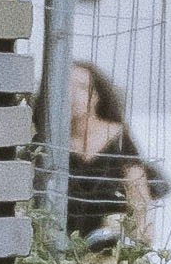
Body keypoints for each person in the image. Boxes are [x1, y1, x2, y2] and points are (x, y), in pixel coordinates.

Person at [65, 59, 154, 243]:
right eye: (66, 86)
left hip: (110, 247)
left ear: (97, 95)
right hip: (61, 249)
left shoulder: (117, 136)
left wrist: (142, 242)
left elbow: (138, 194)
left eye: (83, 87)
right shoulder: (48, 140)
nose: (73, 95)